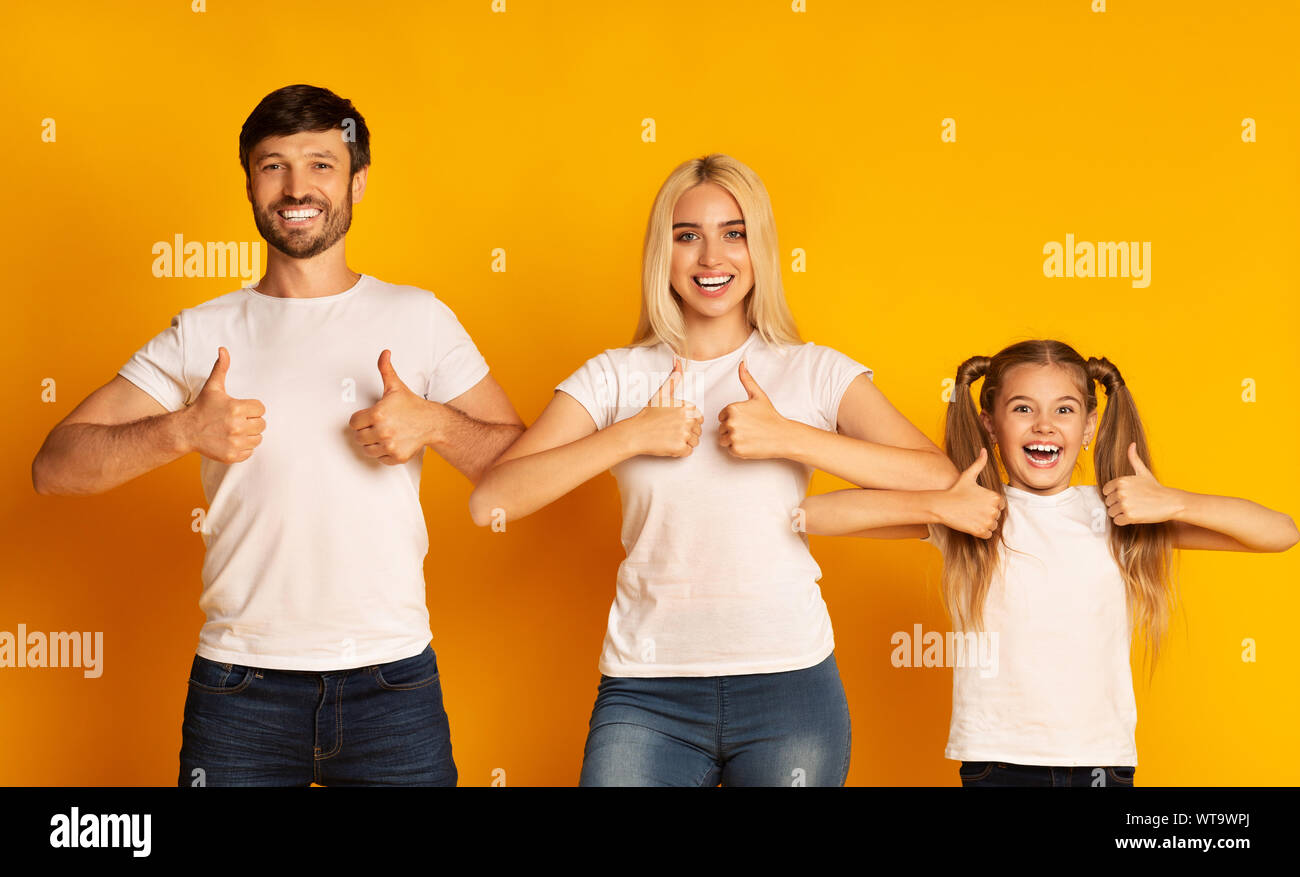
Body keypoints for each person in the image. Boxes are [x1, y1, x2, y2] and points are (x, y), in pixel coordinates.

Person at [30, 83, 525, 786]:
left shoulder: (420, 318)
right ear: (250, 184)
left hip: (392, 681)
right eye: (274, 165)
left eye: (321, 164)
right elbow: (54, 465)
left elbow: (526, 468)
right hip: (240, 689)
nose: (298, 187)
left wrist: (436, 423)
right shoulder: (203, 331)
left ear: (357, 181)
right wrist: (181, 430)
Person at [469, 153, 959, 786]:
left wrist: (792, 437)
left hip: (789, 685)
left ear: (760, 249)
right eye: (687, 236)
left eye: (734, 233)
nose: (711, 258)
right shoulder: (617, 374)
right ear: (662, 254)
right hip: (647, 692)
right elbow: (492, 503)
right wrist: (629, 435)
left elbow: (940, 482)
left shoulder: (812, 370)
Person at [798, 339, 1299, 786]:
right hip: (997, 763)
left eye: (1064, 410)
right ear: (990, 423)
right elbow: (814, 515)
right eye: (1023, 408)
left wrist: (1175, 503)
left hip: (1100, 761)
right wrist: (934, 505)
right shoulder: (970, 512)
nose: (1044, 425)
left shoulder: (1118, 516)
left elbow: (1282, 533)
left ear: (1089, 427)